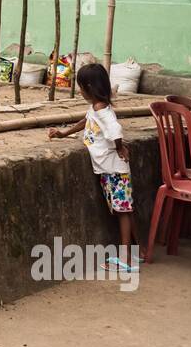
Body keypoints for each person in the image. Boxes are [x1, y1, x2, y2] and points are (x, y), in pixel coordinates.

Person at [48, 62, 137, 271]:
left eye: (80, 87)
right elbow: (86, 121)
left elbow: (115, 130)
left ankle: (126, 259)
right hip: (110, 169)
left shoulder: (103, 111)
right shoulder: (96, 109)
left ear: (89, 88)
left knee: (123, 211)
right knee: (125, 210)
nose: (79, 91)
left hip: (114, 170)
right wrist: (64, 133)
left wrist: (120, 146)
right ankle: (137, 252)